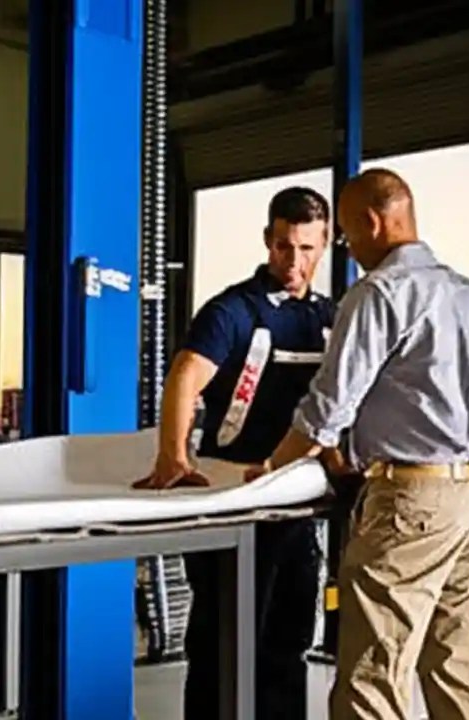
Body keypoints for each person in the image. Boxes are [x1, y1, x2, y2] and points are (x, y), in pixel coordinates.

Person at [248, 168, 469, 720]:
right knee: (459, 667)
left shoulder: (378, 293)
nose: (348, 249)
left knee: (373, 678)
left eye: (343, 235)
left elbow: (326, 408)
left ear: (370, 221)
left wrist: (271, 468)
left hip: (412, 505)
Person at [136, 186, 337, 720]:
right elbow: (184, 376)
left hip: (296, 499)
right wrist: (173, 456)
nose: (293, 262)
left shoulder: (331, 315)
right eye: (283, 247)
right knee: (222, 642)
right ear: (267, 241)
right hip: (231, 499)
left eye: (307, 249)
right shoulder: (232, 310)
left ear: (325, 247)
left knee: (287, 639)